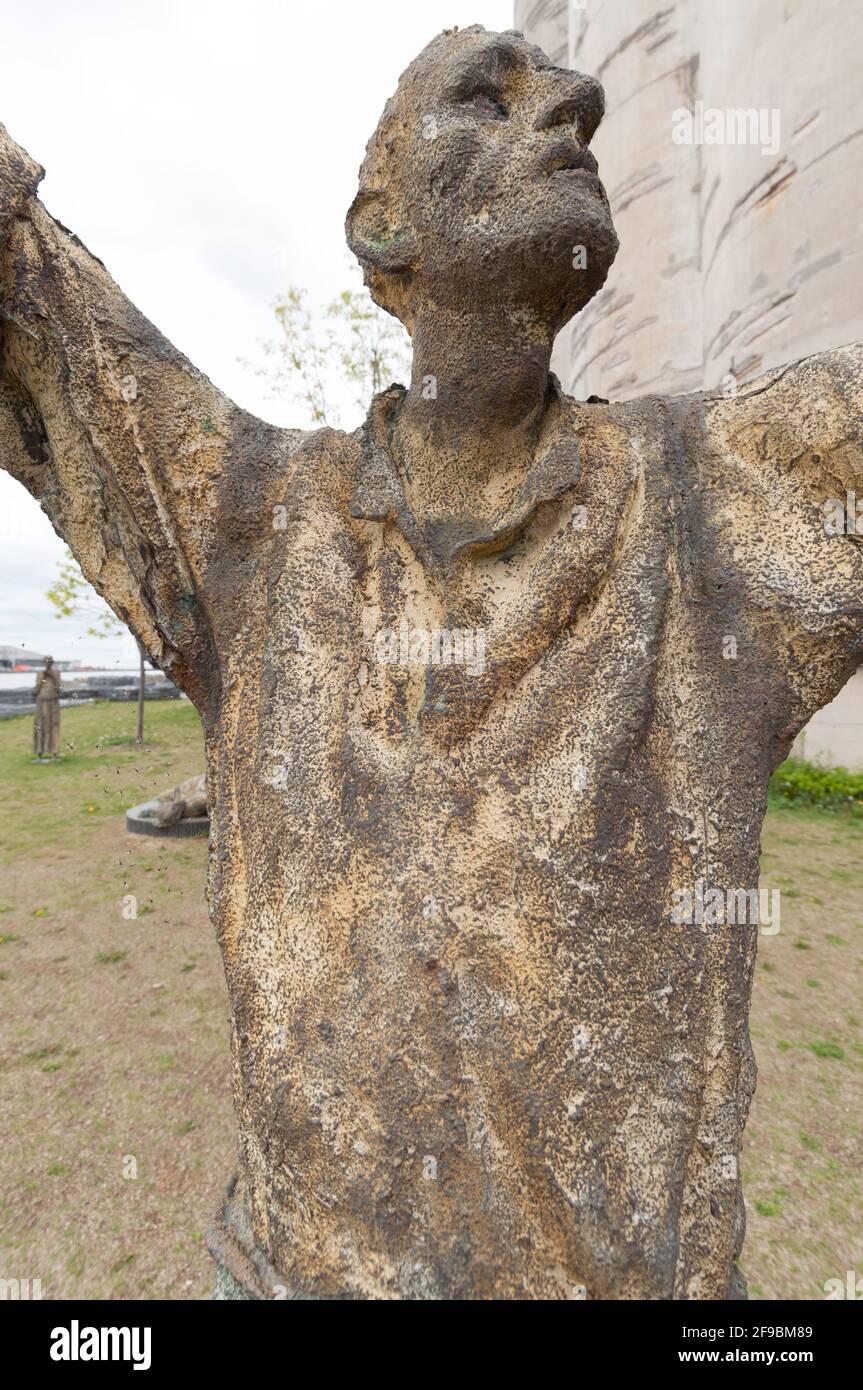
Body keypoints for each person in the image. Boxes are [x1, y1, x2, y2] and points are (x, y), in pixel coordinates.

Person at [0, 26, 861, 1299]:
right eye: (485, 98)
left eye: (556, 91)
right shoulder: (254, 523)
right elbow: (34, 305)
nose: (577, 100)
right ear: (381, 227)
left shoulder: (721, 498)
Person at [32, 655, 60, 757]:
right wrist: (42, 678)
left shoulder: (56, 673)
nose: (48, 664)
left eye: (49, 662)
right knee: (40, 724)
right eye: (46, 662)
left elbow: (59, 689)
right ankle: (39, 749)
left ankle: (54, 750)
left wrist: (52, 676)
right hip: (41, 701)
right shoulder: (40, 673)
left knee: (53, 724)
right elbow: (36, 690)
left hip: (53, 701)